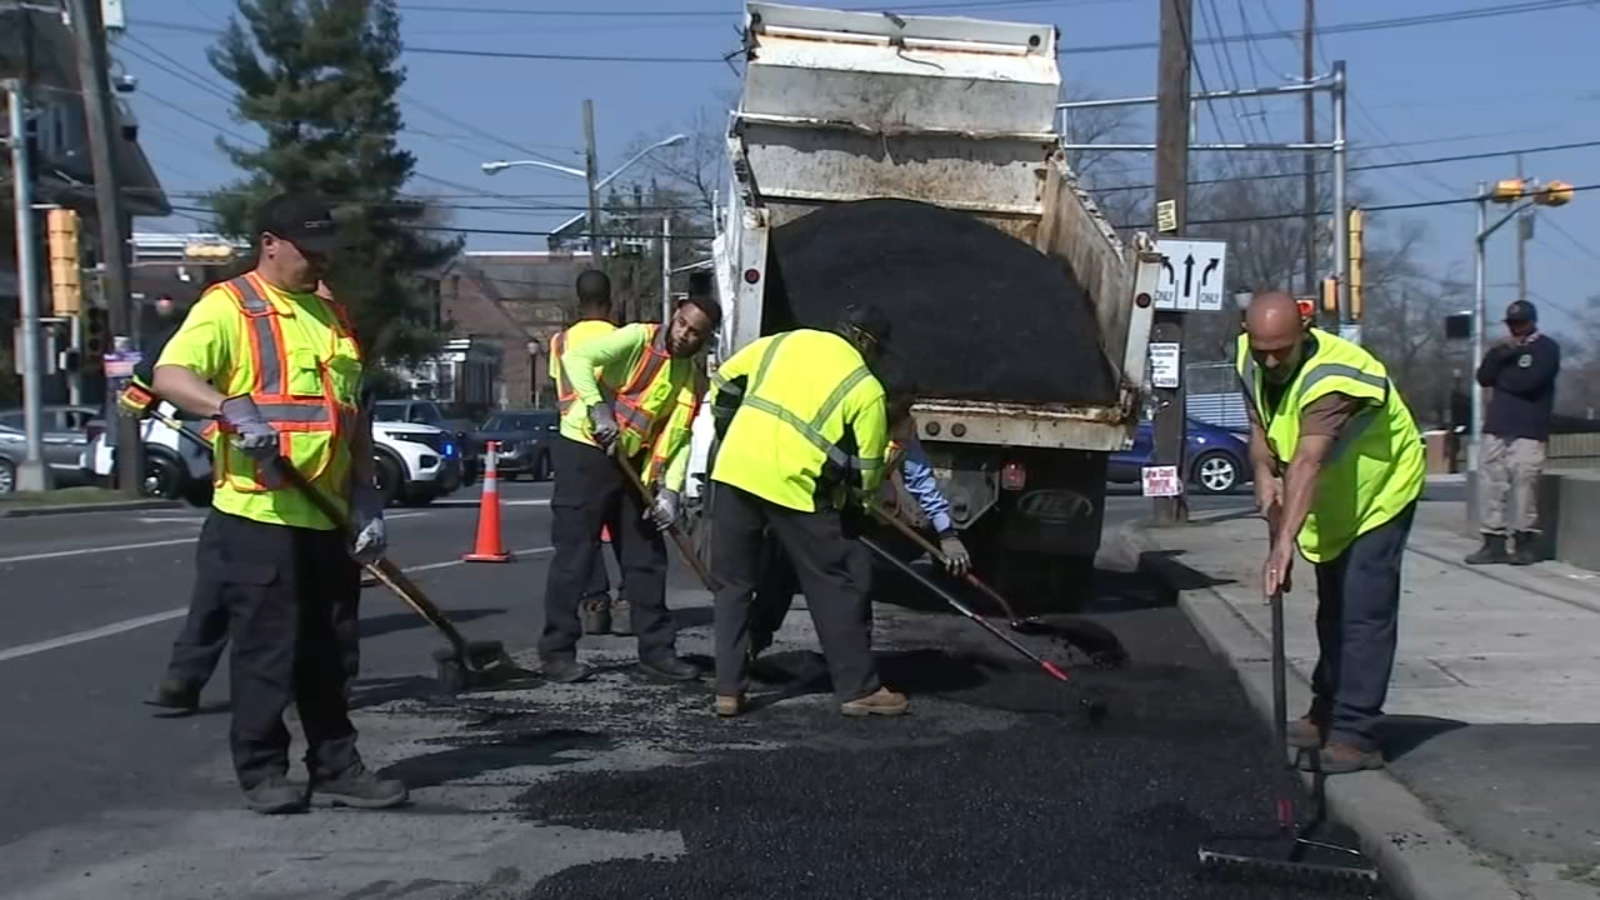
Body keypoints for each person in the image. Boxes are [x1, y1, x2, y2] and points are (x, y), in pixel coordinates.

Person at [151, 193, 405, 814]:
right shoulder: (230, 306)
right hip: (258, 514)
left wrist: (367, 495)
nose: (319, 262)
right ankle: (263, 772)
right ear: (270, 243)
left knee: (331, 652)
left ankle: (337, 765)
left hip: (327, 513)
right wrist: (227, 407)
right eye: (307, 250)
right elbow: (171, 374)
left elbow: (350, 415)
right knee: (268, 652)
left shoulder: (329, 312)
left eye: (326, 251)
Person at [1240, 291, 1425, 774]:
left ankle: (1357, 735)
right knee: (1333, 607)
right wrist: (1263, 478)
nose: (1271, 360)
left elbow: (1307, 460)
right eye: (1262, 350)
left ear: (1305, 331)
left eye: (1282, 348)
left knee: (1363, 612)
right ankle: (1326, 712)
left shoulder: (1332, 378)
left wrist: (1282, 548)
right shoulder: (1249, 356)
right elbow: (1261, 429)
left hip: (1380, 491)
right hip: (1335, 502)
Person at [142, 282, 346, 713]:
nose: (323, 286)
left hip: (285, 491)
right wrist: (142, 390)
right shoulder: (230, 314)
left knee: (219, 588)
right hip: (243, 485)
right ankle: (188, 677)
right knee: (227, 590)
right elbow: (168, 370)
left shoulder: (330, 327)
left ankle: (185, 676)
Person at [706, 304, 905, 719]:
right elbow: (868, 472)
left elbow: (724, 379)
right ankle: (858, 689)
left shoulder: (780, 342)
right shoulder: (865, 387)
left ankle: (728, 690)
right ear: (866, 342)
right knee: (834, 583)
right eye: (877, 350)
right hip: (795, 490)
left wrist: (729, 430)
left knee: (733, 587)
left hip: (733, 473)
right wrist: (853, 503)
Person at [538, 287, 719, 684]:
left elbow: (679, 437)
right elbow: (577, 358)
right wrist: (598, 409)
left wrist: (669, 492)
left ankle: (657, 652)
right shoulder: (637, 336)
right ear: (674, 316)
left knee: (646, 558)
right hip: (584, 449)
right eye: (682, 323)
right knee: (576, 556)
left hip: (630, 462)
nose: (683, 334)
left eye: (693, 332)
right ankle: (556, 653)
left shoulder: (689, 380)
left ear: (705, 340)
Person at [747, 379, 971, 661]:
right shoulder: (850, 414)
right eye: (901, 401)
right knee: (779, 579)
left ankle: (854, 662)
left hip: (852, 516)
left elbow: (921, 480)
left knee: (857, 582)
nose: (906, 408)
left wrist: (947, 533)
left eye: (910, 402)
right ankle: (750, 645)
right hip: (807, 505)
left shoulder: (904, 429)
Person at [548, 269, 629, 635]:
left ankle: (594, 602)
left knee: (580, 537)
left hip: (573, 443)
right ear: (611, 302)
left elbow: (561, 389)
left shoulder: (559, 343)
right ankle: (631, 602)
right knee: (631, 532)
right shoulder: (621, 338)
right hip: (619, 441)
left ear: (577, 302)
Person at [1466, 299, 1560, 566]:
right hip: (1498, 425)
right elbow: (1484, 377)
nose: (1516, 329)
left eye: (1520, 323)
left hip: (1529, 428)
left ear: (1532, 322)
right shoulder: (1501, 350)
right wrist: (1501, 356)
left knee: (1524, 481)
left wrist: (1502, 378)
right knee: (1492, 482)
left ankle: (1524, 541)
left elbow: (1529, 383)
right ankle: (1493, 541)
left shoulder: (1546, 348)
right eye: (1512, 324)